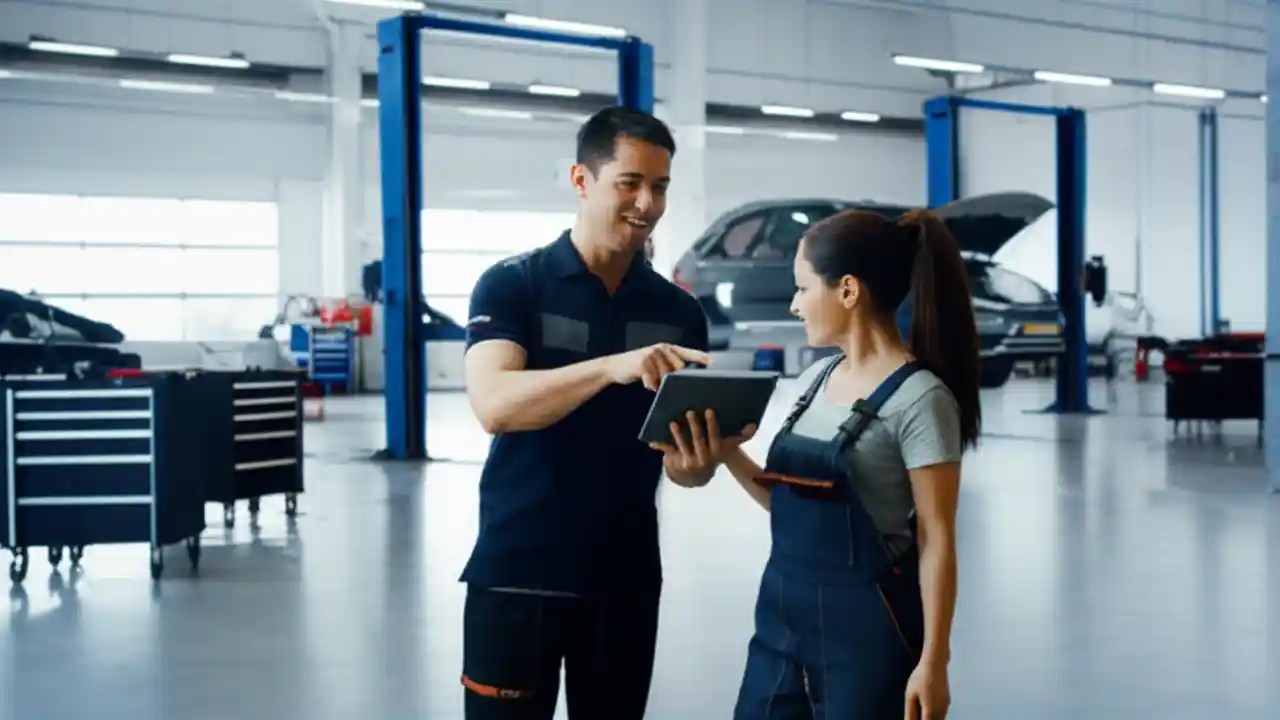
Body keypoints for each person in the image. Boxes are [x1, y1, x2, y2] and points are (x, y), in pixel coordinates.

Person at [459, 105, 736, 720]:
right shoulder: (513, 285)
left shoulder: (680, 313)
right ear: (582, 180)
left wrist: (697, 463)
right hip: (519, 570)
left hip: (625, 577)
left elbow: (685, 470)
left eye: (660, 186)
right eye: (629, 183)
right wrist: (612, 366)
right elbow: (495, 405)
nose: (647, 203)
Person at [650, 208, 979, 719]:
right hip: (781, 619)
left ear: (847, 291)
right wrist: (725, 449)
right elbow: (787, 498)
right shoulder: (816, 381)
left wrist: (934, 661)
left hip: (867, 633)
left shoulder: (921, 400)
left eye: (803, 288)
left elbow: (936, 539)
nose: (795, 304)